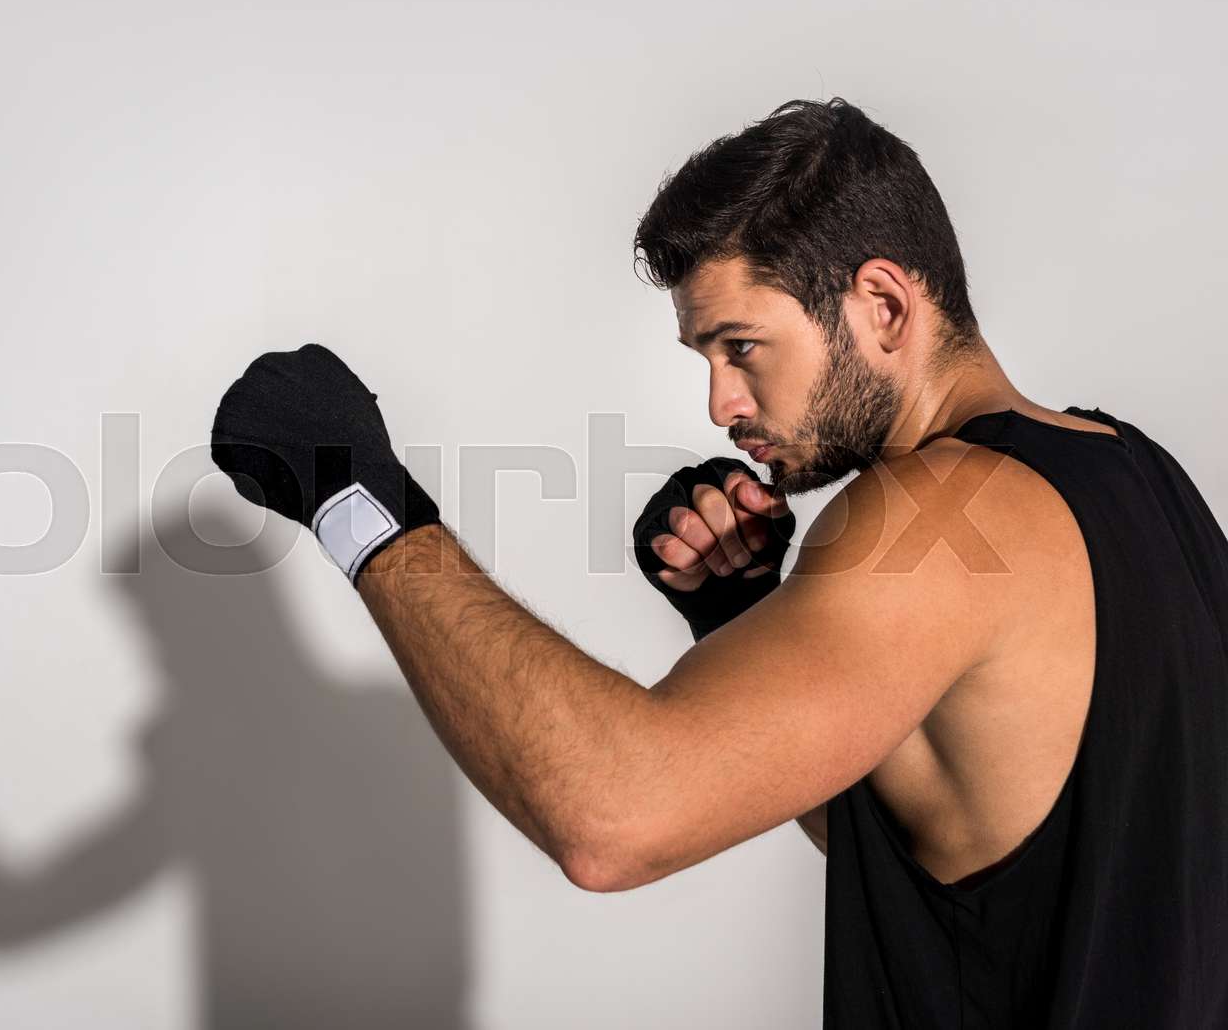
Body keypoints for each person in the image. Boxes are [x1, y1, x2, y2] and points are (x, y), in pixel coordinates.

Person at [209, 97, 1228, 1027]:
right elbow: (951, 853)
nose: (721, 407)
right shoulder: (1137, 476)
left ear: (880, 305)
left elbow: (611, 821)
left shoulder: (937, 512)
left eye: (741, 347)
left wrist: (361, 503)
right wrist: (739, 617)